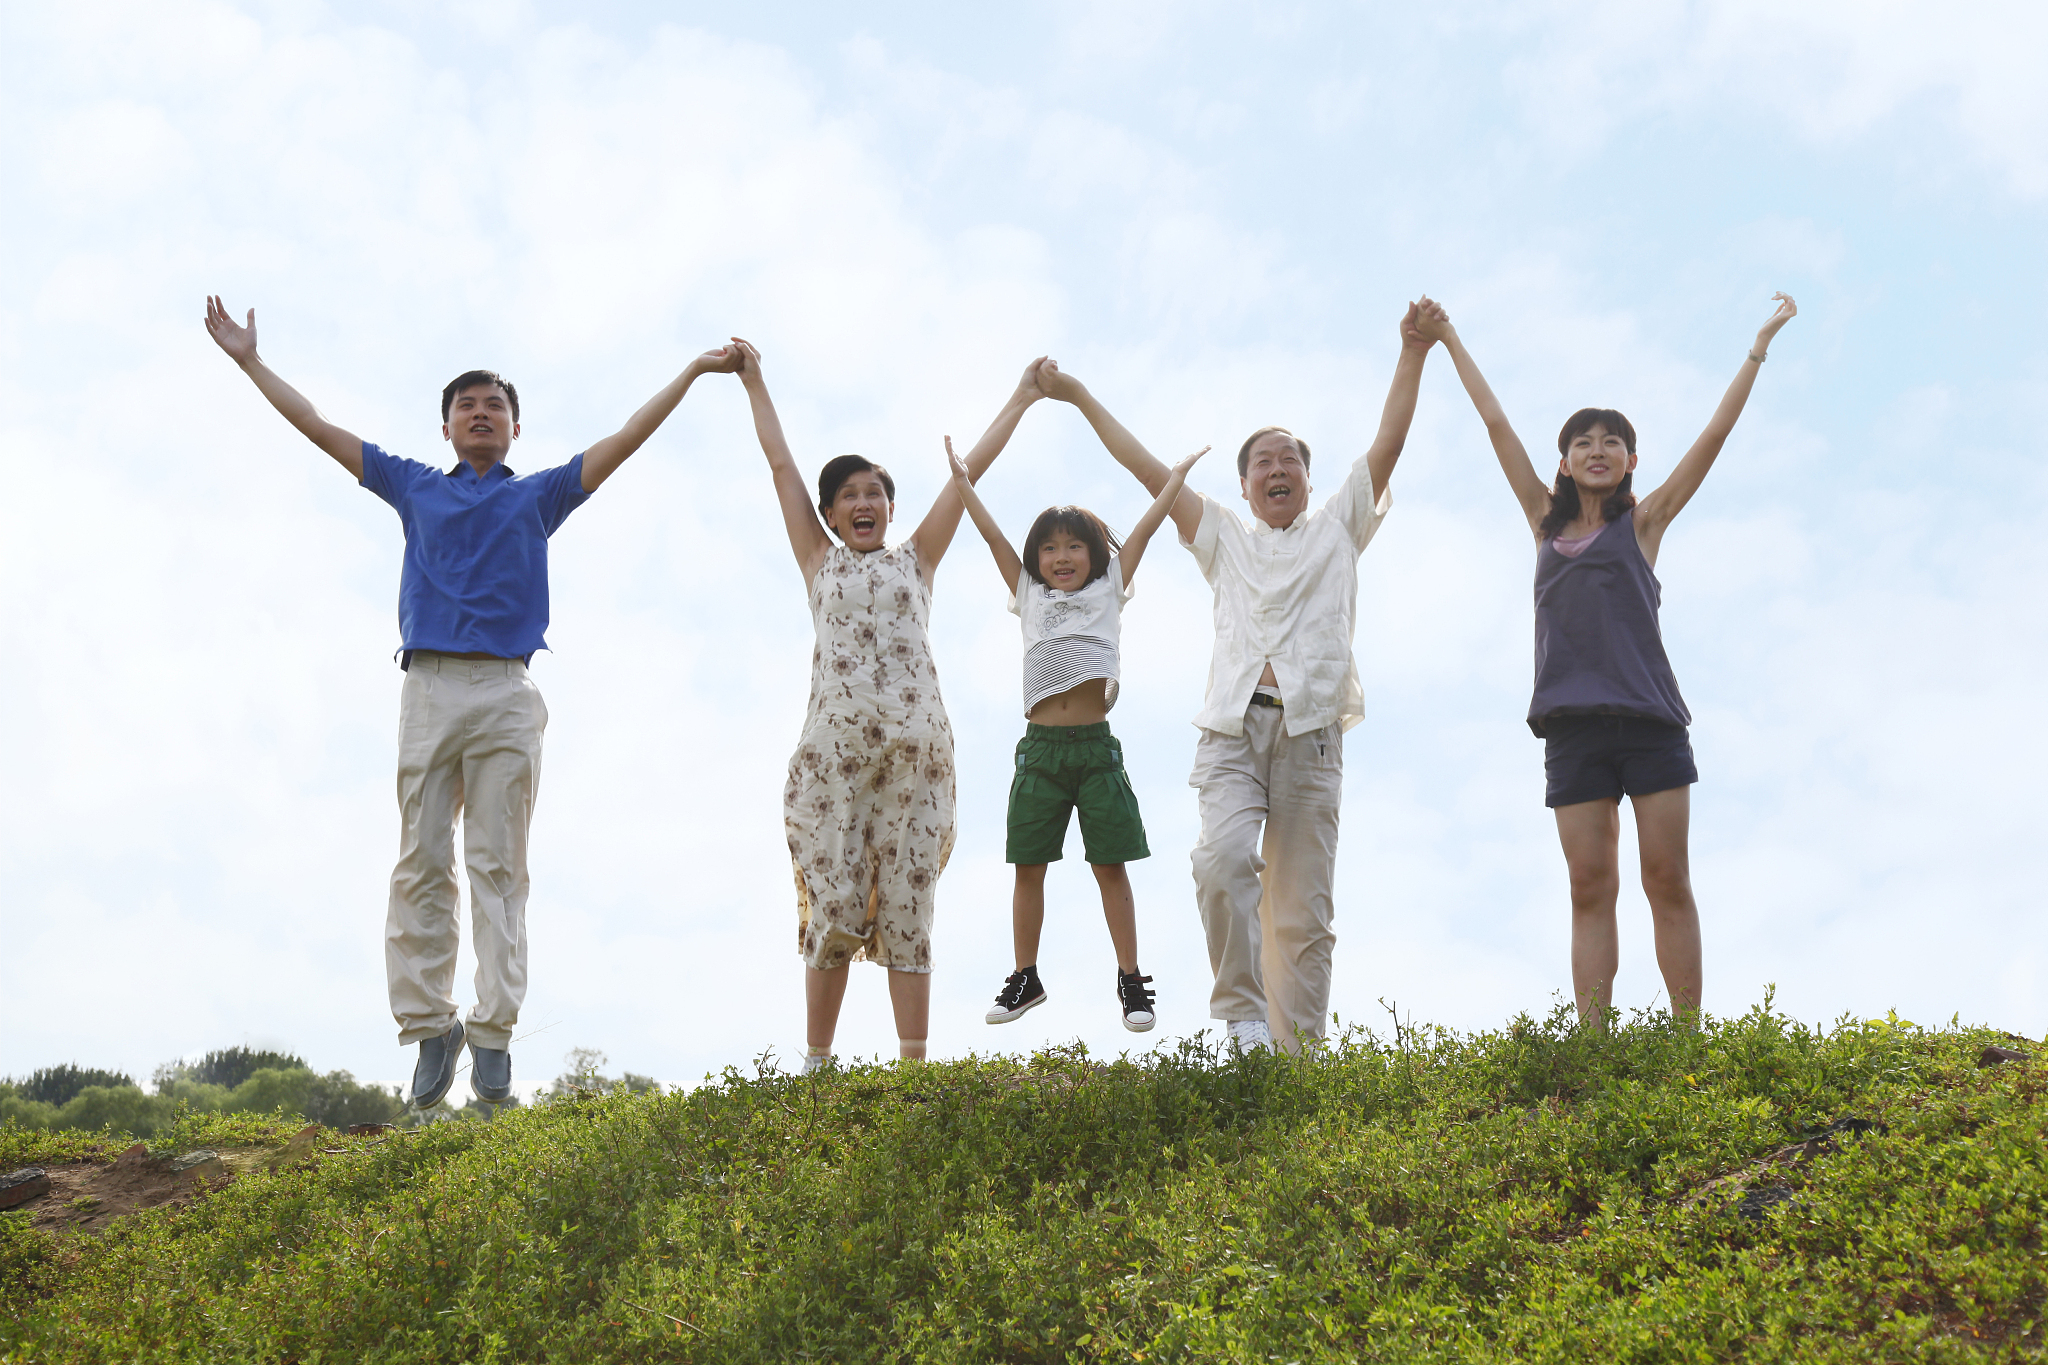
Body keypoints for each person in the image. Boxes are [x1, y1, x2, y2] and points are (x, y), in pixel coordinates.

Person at [202, 295, 739, 1108]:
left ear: (515, 429)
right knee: (420, 857)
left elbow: (627, 439)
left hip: (506, 692)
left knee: (498, 866)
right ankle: (430, 1026)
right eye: (467, 406)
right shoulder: (413, 486)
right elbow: (315, 424)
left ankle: (491, 1038)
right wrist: (249, 362)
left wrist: (693, 372)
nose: (481, 414)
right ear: (446, 427)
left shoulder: (541, 495)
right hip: (427, 685)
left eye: (495, 406)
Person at [1035, 305, 1435, 1052]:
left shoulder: (1341, 524)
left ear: (1310, 480)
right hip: (1232, 729)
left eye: (1290, 460)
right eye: (1263, 462)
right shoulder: (1222, 534)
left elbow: (1390, 441)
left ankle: (1297, 1057)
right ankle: (1244, 1018)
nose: (1277, 469)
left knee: (1301, 912)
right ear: (1245, 485)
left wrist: (1412, 350)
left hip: (1312, 735)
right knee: (1219, 862)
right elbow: (1145, 466)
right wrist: (1080, 395)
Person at [1417, 292, 1799, 1028]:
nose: (1598, 449)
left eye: (1612, 442)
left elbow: (1714, 437)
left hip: (1651, 723)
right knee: (1590, 885)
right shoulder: (1542, 521)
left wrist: (1756, 349)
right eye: (1584, 441)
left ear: (1628, 462)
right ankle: (1596, 1046)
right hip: (1573, 729)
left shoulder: (1644, 522)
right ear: (1564, 461)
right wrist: (1449, 338)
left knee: (1667, 877)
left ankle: (1688, 1037)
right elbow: (1495, 422)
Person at [730, 339, 1045, 1072]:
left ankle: (912, 1069)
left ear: (890, 507)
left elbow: (973, 472)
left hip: (915, 751)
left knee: (908, 902)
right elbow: (780, 465)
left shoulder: (917, 559)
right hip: (836, 754)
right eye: (849, 496)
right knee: (836, 901)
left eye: (875, 493)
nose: (864, 503)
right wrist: (755, 382)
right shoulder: (819, 560)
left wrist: (1022, 397)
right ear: (832, 516)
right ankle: (816, 1064)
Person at [947, 437, 1213, 1033]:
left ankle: (1130, 980)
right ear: (1035, 558)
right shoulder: (1028, 594)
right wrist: (964, 484)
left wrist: (1175, 477)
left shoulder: (1108, 587)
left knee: (1111, 865)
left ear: (1094, 555)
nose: (1061, 556)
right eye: (1048, 548)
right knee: (1028, 866)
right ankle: (1025, 977)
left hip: (1094, 749)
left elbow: (1143, 530)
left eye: (1073, 546)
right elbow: (991, 537)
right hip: (1039, 750)